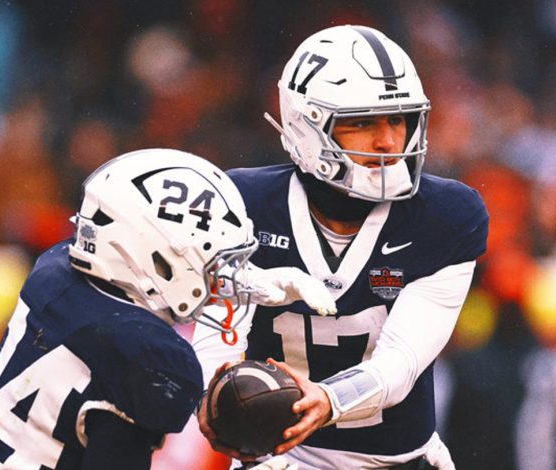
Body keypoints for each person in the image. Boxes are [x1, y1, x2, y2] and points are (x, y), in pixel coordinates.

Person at [194, 25, 489, 469]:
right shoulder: (242, 205)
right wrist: (210, 398)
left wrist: (328, 399)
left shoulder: (446, 216)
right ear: (305, 124)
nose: (389, 140)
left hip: (400, 462)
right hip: (278, 462)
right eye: (363, 122)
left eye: (398, 118)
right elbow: (218, 339)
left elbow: (402, 361)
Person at [0, 148, 335, 469]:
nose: (219, 279)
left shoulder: (58, 270)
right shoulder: (149, 359)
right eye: (209, 262)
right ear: (158, 257)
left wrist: (250, 283)